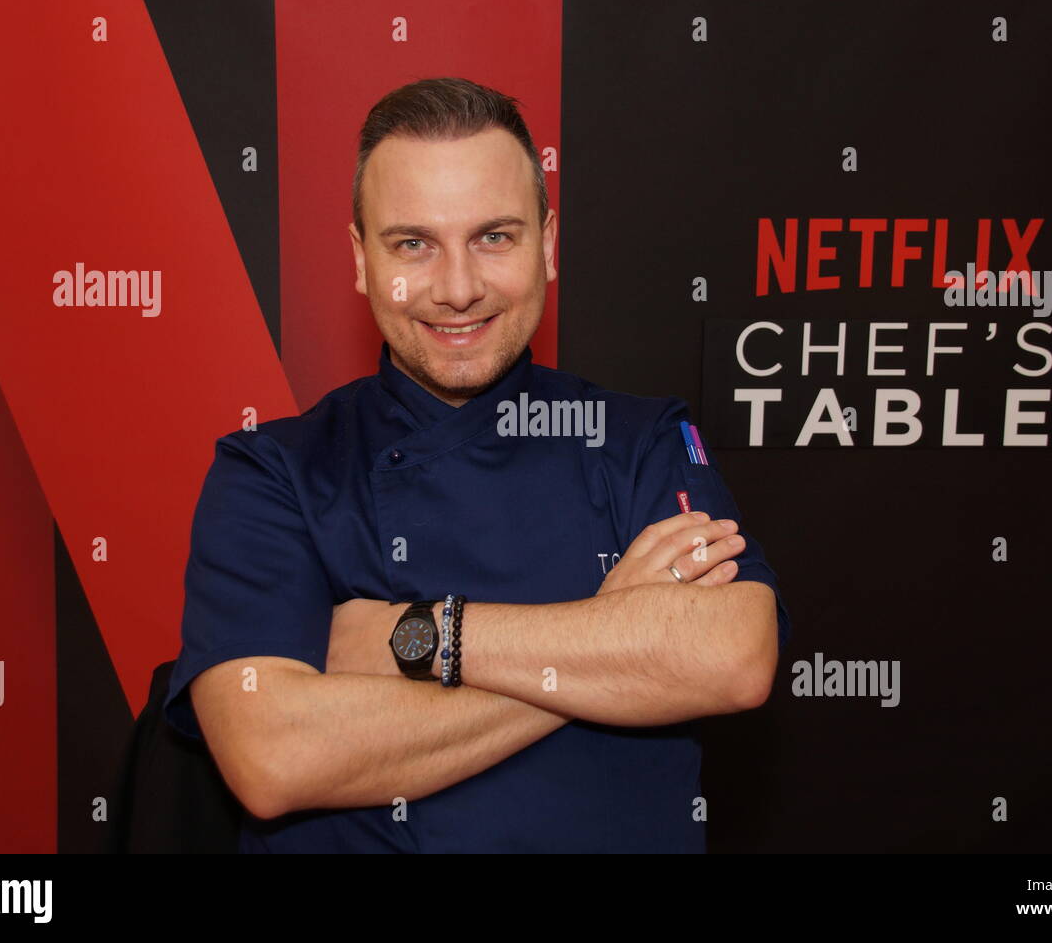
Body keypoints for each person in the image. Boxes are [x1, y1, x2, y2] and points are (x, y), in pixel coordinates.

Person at [164, 77, 793, 853]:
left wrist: (422, 637)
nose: (457, 289)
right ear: (361, 260)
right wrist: (613, 641)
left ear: (549, 244)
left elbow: (731, 655)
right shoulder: (272, 474)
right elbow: (274, 755)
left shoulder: (639, 439)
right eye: (413, 245)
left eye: (494, 236)